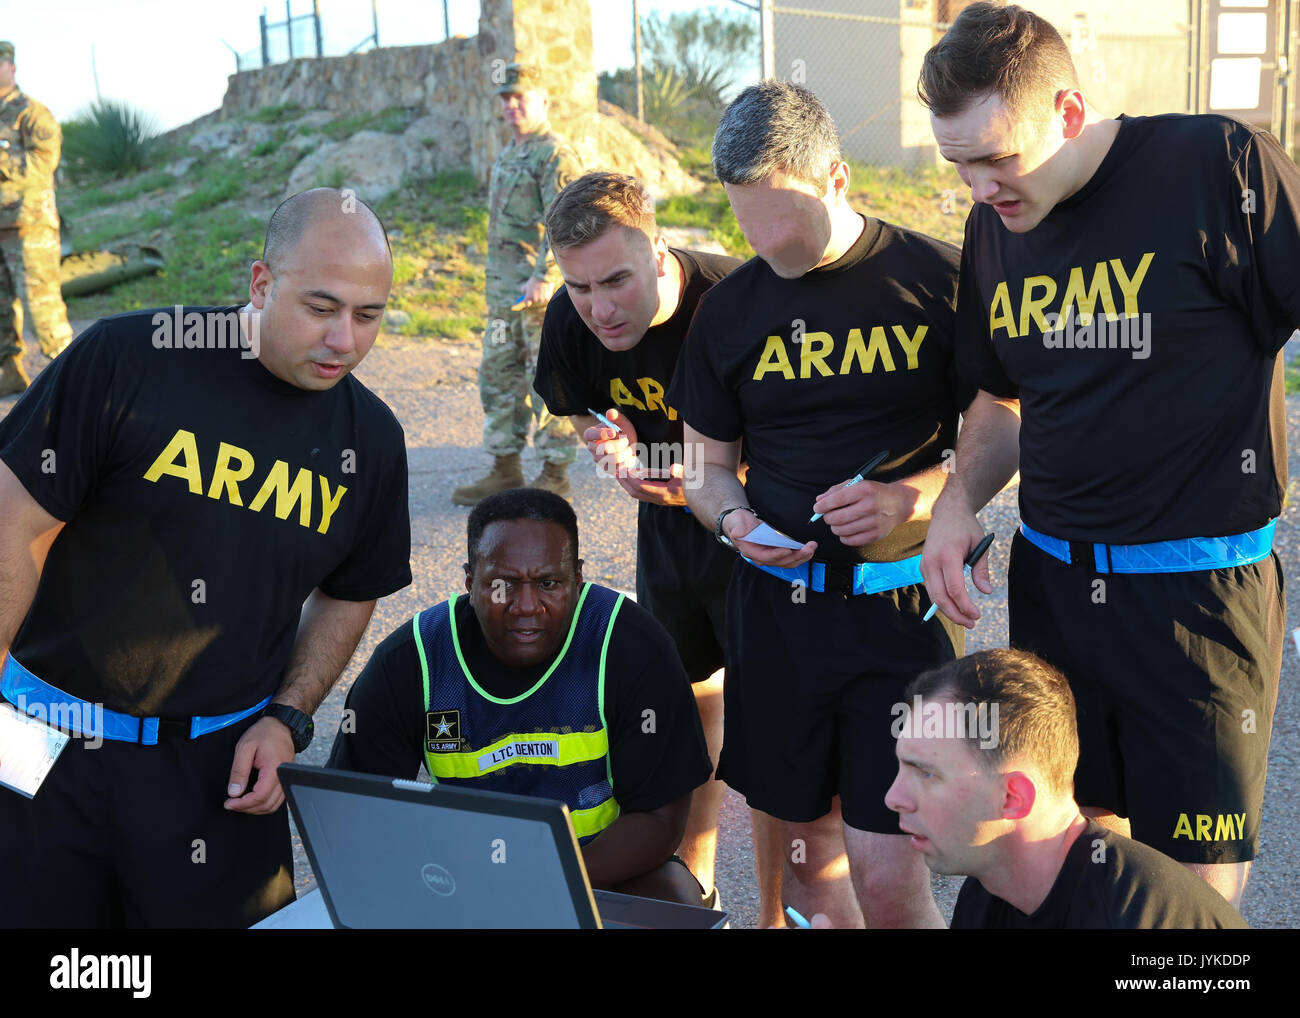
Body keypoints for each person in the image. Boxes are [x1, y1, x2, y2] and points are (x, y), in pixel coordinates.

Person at [916, 2, 1295, 908]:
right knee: (1063, 859)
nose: (977, 187)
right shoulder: (993, 228)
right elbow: (1001, 396)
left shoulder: (1218, 168)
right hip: (1055, 589)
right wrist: (957, 501)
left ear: (1070, 112)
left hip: (1198, 601)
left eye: (996, 156)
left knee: (1184, 899)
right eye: (955, 161)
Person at [0, 187, 412, 928]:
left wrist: (288, 716)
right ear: (260, 283)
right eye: (321, 309)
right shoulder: (129, 359)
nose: (344, 340)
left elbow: (353, 590)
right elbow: (12, 519)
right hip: (43, 747)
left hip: (218, 777)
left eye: (368, 316)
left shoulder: (372, 442)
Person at [668, 81, 975, 928]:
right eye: (744, 221)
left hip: (899, 619)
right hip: (776, 622)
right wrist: (736, 526)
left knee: (884, 872)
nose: (764, 243)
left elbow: (1003, 437)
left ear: (837, 177)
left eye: (781, 219)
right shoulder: (728, 311)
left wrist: (912, 498)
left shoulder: (937, 279)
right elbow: (704, 471)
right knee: (805, 867)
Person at [532, 170, 783, 922]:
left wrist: (711, 480)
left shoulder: (737, 303)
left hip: (761, 531)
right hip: (671, 535)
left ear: (659, 249)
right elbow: (582, 413)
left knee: (770, 733)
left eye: (616, 280)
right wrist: (609, 451)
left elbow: (799, 441)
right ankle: (696, 893)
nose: (599, 308)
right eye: (578, 286)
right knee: (690, 707)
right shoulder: (569, 320)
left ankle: (771, 915)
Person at [327, 487, 713, 906]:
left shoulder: (631, 644)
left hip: (600, 868)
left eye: (548, 583)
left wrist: (541, 887)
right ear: (471, 584)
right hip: (465, 876)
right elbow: (356, 812)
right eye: (502, 584)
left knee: (676, 901)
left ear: (578, 580)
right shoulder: (413, 660)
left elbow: (659, 820)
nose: (526, 605)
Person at [886, 649, 1249, 929]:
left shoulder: (1133, 920)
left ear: (1013, 797)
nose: (893, 798)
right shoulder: (988, 889)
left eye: (927, 774)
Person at [452, 62, 582, 506]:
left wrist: (545, 276)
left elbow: (568, 222)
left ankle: (555, 472)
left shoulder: (554, 155)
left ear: (543, 100)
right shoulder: (511, 153)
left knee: (544, 382)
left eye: (520, 96)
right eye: (505, 98)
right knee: (498, 377)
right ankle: (505, 468)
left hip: (537, 295)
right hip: (502, 295)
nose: (511, 105)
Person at [0, 40, 74, 397]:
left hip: (30, 226)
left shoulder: (31, 113)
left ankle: (77, 386)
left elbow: (44, 161)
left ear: (11, 67)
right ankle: (8, 379)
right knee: (1, 312)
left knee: (42, 310)